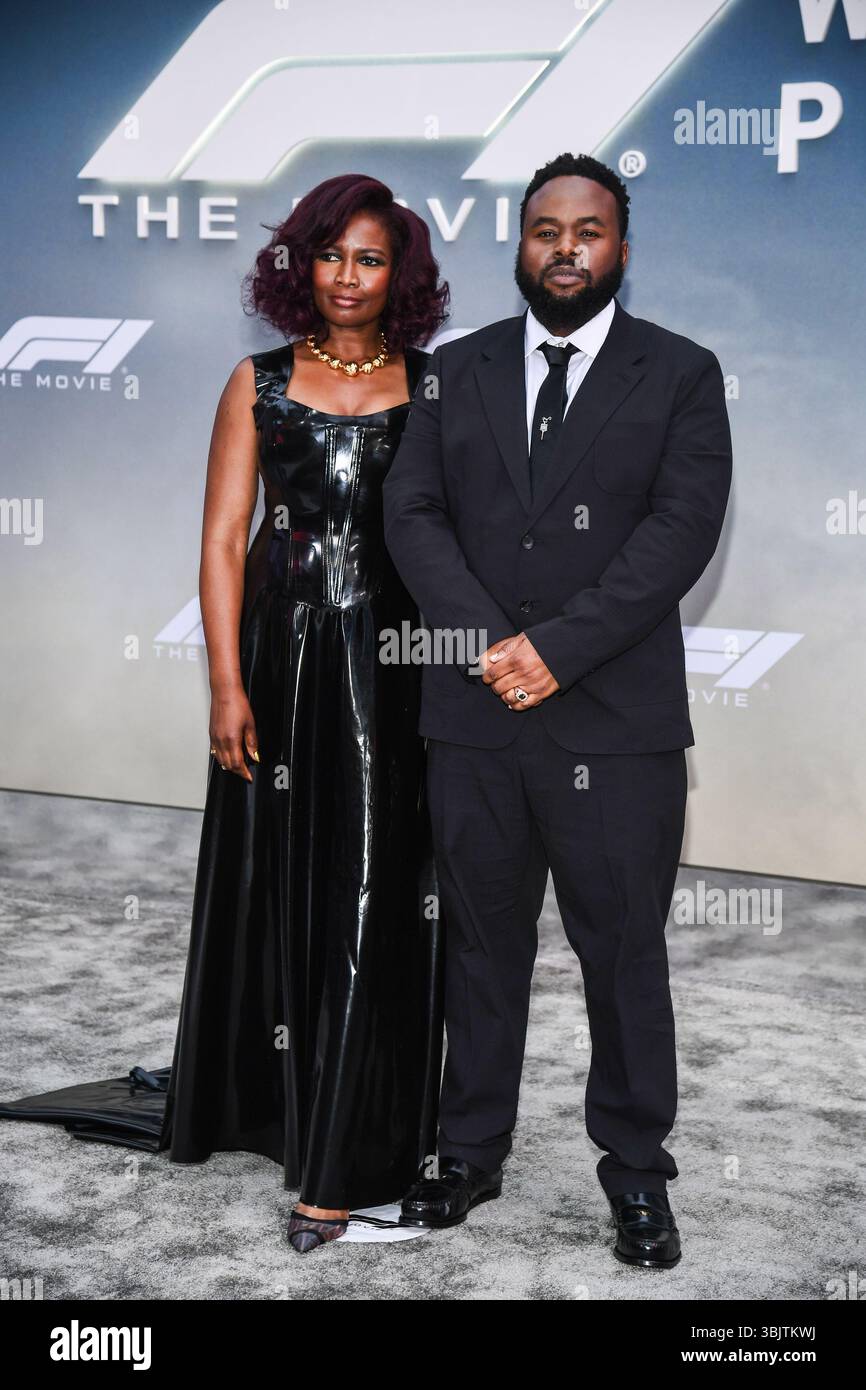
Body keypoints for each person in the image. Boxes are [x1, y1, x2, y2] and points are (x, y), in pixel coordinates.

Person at [0, 173, 449, 1256]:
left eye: (370, 258)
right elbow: (220, 537)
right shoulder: (257, 381)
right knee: (276, 876)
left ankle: (342, 1156)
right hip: (280, 655)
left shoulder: (435, 386)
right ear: (302, 265)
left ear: (401, 274)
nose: (347, 276)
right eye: (330, 255)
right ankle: (273, 1103)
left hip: (393, 662)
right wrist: (225, 685)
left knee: (375, 888)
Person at [382, 151, 733, 1269]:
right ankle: (467, 1151)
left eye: (588, 231)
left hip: (615, 726)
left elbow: (679, 532)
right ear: (521, 245)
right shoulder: (452, 370)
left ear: (620, 247)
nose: (566, 249)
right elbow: (413, 512)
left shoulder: (680, 372)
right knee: (479, 948)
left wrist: (558, 651)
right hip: (475, 715)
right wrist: (494, 646)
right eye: (546, 231)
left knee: (621, 955)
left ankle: (636, 1174)